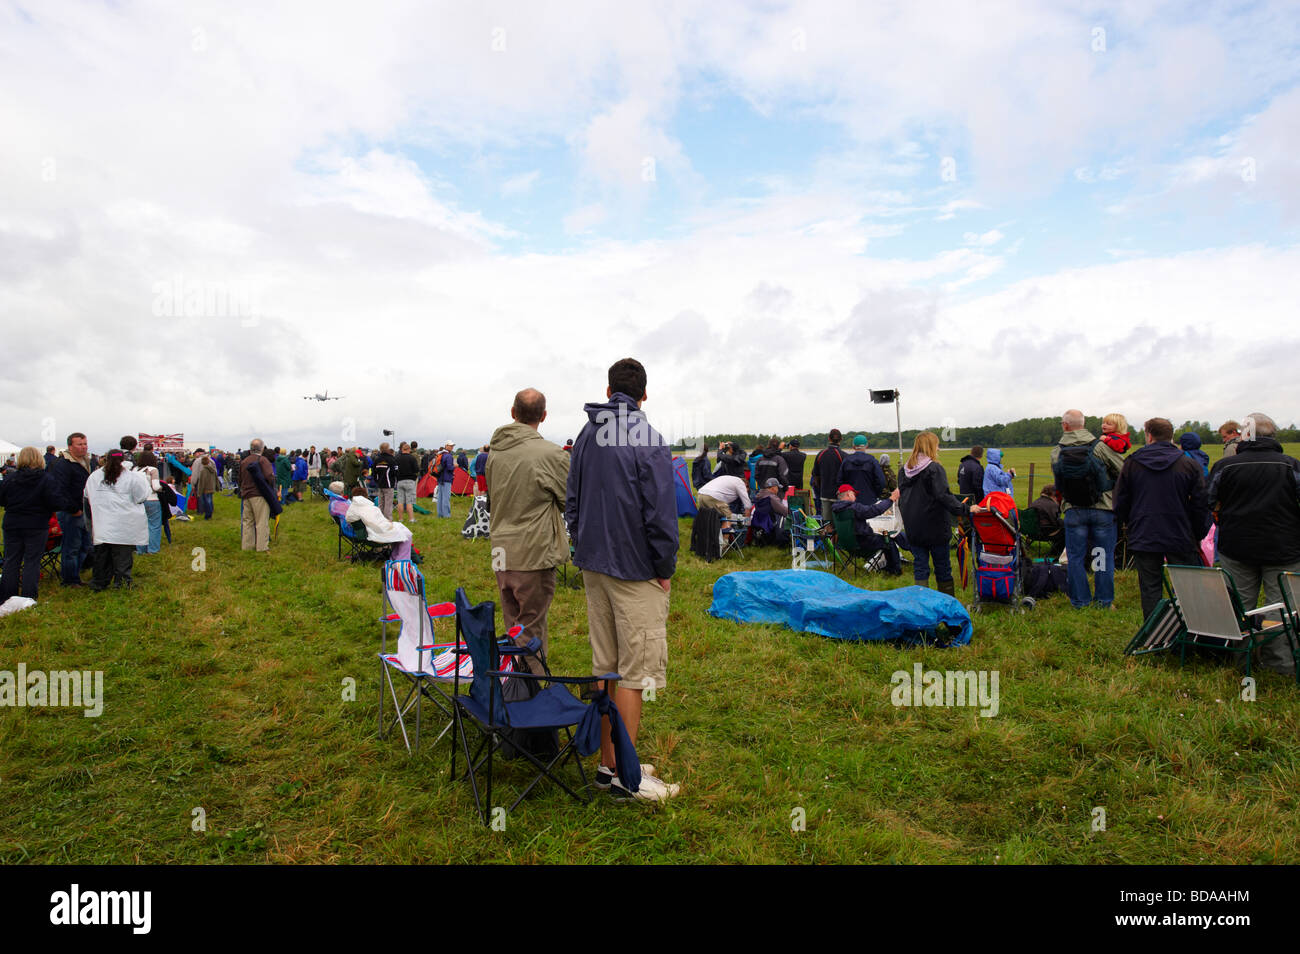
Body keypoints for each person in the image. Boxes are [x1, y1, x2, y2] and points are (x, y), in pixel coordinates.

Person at [565, 357, 680, 801]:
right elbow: (661, 515)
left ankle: (609, 762)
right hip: (633, 570)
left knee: (607, 667)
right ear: (644, 394)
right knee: (633, 673)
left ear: (609, 388)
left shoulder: (587, 435)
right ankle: (626, 781)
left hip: (594, 564)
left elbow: (571, 502)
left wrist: (582, 546)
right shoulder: (646, 437)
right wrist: (663, 568)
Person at [1207, 412, 1300, 676]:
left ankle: (1241, 661)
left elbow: (1207, 500)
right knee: (1281, 609)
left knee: (1240, 605)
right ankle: (1280, 665)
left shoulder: (1225, 467)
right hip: (1284, 547)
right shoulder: (1291, 465)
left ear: (1244, 436)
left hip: (1237, 546)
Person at [486, 388, 571, 674]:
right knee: (531, 628)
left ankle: (511, 683)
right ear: (544, 416)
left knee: (514, 622)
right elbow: (571, 501)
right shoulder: (551, 454)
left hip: (501, 550)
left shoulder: (495, 453)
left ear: (513, 412)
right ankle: (529, 695)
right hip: (532, 553)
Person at [1112, 417, 1211, 621]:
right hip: (1180, 533)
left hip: (1144, 531)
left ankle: (1153, 636)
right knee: (1186, 587)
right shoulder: (1189, 464)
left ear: (1149, 436)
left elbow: (1120, 500)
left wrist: (1129, 525)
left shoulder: (1132, 463)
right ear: (1171, 436)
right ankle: (1191, 630)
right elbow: (1201, 503)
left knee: (1150, 587)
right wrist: (1197, 532)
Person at [1050, 408, 1125, 609]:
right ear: (1083, 424)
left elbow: (1059, 482)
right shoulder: (1099, 447)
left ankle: (1080, 601)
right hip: (1103, 509)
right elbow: (1123, 470)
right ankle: (1103, 601)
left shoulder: (1056, 451)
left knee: (1074, 557)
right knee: (1101, 555)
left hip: (1073, 510)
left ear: (1065, 425)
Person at [899, 431, 969, 595]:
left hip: (913, 527)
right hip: (935, 527)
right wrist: (964, 509)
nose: (938, 448)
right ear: (931, 446)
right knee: (942, 568)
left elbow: (902, 497)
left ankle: (922, 604)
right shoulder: (934, 469)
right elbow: (943, 495)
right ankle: (947, 604)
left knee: (920, 567)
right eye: (937, 445)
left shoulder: (904, 470)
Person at [0, 447, 60, 602]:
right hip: (36, 524)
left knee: (11, 560)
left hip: (13, 522)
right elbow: (54, 502)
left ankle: (7, 596)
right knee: (32, 561)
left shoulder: (9, 479)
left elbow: (1, 498)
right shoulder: (46, 479)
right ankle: (28, 596)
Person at [85, 449, 150, 590]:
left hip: (102, 523)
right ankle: (122, 583)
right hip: (123, 524)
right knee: (122, 556)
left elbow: (87, 497)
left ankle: (99, 582)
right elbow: (141, 497)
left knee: (102, 555)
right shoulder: (131, 477)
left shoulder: (95, 476)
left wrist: (92, 519)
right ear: (123, 460)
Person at [49, 432, 94, 587]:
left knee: (85, 545)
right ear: (70, 446)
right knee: (71, 547)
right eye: (79, 444)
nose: (83, 447)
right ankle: (69, 579)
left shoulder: (86, 461)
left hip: (85, 510)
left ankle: (75, 575)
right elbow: (59, 490)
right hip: (72, 512)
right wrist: (73, 509)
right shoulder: (63, 464)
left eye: (85, 444)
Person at [831, 483, 903, 573]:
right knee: (888, 539)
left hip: (845, 544)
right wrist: (891, 499)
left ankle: (910, 548)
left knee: (889, 535)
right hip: (862, 544)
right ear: (849, 494)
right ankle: (895, 570)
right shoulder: (854, 508)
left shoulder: (836, 510)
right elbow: (874, 510)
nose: (855, 498)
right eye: (854, 494)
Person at [344, 483, 412, 559]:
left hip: (365, 535)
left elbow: (373, 523)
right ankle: (401, 559)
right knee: (406, 534)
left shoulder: (352, 509)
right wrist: (389, 525)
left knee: (400, 531)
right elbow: (378, 525)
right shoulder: (370, 508)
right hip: (375, 537)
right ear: (366, 496)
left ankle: (396, 556)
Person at [239, 439, 280, 551]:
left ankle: (247, 546)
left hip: (246, 494)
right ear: (262, 448)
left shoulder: (244, 461)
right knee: (261, 521)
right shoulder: (263, 460)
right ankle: (262, 546)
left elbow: (240, 479)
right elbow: (270, 477)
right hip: (259, 495)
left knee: (247, 522)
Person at [811, 430, 846, 522]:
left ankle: (827, 536)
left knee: (827, 524)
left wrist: (820, 488)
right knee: (839, 523)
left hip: (825, 494)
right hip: (840, 495)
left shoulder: (821, 454)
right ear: (841, 439)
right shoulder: (844, 455)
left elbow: (815, 475)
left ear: (829, 438)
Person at [839, 434, 886, 501]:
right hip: (869, 499)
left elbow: (840, 481)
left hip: (850, 500)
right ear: (866, 446)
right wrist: (876, 494)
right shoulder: (872, 461)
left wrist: (846, 495)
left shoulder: (846, 461)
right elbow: (881, 481)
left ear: (853, 446)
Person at [1027, 485, 1065, 560]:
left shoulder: (1035, 502)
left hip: (1032, 533)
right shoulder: (1052, 505)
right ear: (1053, 495)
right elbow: (1055, 522)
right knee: (1066, 530)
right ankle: (1057, 551)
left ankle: (1055, 550)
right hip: (1045, 533)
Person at [394, 441, 420, 523]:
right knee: (409, 501)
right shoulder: (412, 458)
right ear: (409, 449)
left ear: (402, 449)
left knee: (400, 501)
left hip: (400, 481)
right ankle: (411, 519)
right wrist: (414, 477)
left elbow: (394, 469)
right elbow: (416, 469)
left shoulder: (396, 458)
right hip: (410, 481)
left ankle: (400, 519)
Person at [371, 442, 397, 519]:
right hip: (388, 485)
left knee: (381, 504)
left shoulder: (377, 459)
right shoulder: (391, 459)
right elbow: (395, 472)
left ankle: (380, 519)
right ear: (388, 449)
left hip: (380, 485)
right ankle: (388, 520)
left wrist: (377, 481)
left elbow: (373, 472)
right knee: (388, 504)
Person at [191, 449, 218, 520]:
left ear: (199, 453)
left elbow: (195, 473)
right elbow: (215, 472)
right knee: (209, 498)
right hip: (210, 482)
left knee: (200, 497)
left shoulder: (197, 461)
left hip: (200, 481)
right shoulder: (211, 461)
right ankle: (210, 510)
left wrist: (193, 483)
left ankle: (201, 511)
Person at [435, 440, 456, 518]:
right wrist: (455, 466)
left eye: (452, 446)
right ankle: (446, 515)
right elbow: (450, 467)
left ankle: (440, 514)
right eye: (450, 446)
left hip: (440, 478)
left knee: (440, 497)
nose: (452, 447)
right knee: (446, 498)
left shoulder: (441, 454)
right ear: (446, 446)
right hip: (446, 479)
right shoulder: (449, 456)